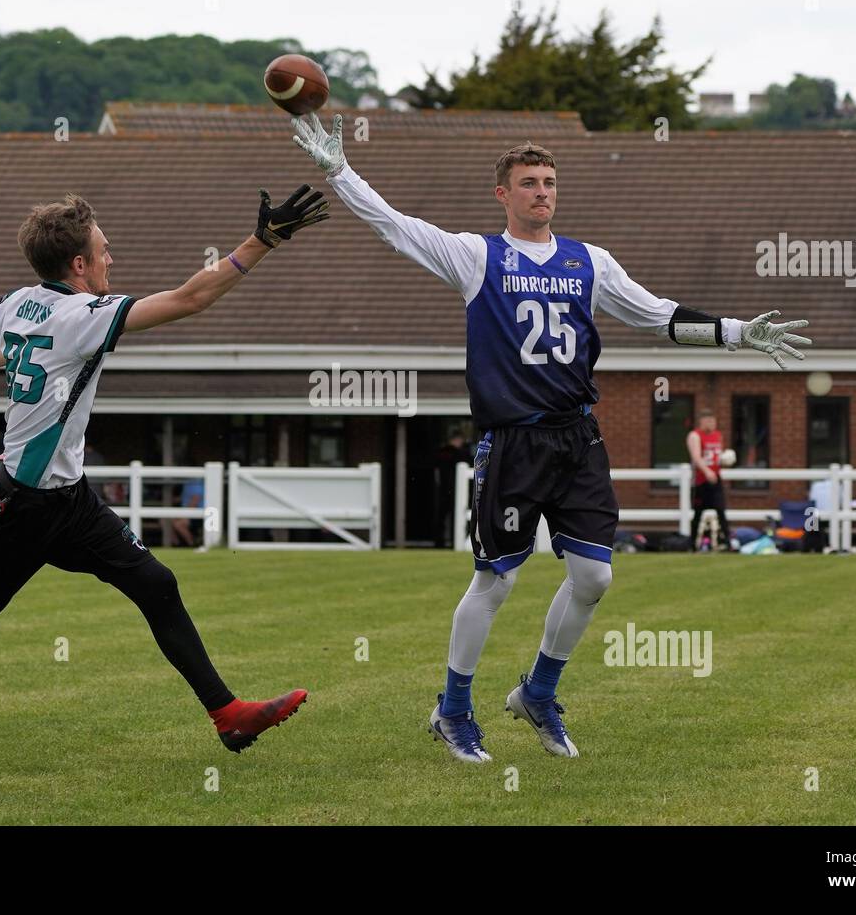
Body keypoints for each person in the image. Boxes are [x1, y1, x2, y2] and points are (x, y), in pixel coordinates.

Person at [292, 114, 812, 761]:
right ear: (503, 194)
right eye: (529, 182)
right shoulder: (478, 256)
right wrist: (340, 171)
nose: (542, 191)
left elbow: (657, 316)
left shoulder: (589, 262)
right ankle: (453, 708)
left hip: (578, 440)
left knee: (594, 577)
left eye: (549, 182)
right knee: (497, 580)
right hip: (513, 443)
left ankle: (538, 693)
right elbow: (396, 225)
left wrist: (737, 333)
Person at [0, 187, 329, 753]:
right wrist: (263, 241)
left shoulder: (11, 304)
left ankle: (229, 714)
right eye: (105, 251)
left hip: (69, 500)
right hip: (23, 507)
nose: (112, 260)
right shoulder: (82, 316)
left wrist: (31, 355)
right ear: (78, 264)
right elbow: (189, 300)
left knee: (156, 584)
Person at [687, 409, 731, 550]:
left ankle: (728, 543)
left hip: (715, 478)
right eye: (709, 421)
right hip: (701, 480)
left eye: (714, 421)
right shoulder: (695, 435)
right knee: (698, 512)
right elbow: (696, 457)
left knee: (721, 510)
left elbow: (716, 457)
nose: (712, 424)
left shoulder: (718, 435)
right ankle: (693, 544)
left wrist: (725, 460)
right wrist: (707, 471)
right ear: (702, 421)